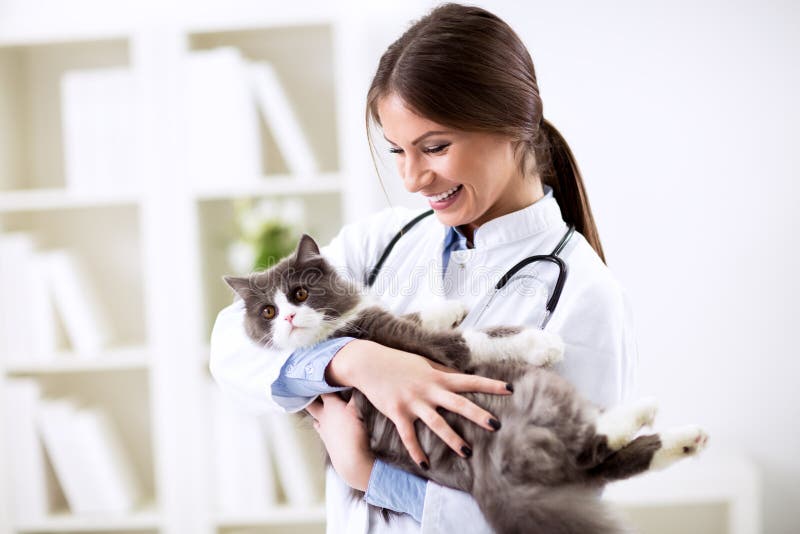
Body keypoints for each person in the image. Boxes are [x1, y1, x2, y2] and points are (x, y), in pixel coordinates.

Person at [209, 3, 638, 533]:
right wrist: (352, 359)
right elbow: (232, 344)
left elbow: (556, 517)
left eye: (434, 147)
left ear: (510, 124)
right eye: (396, 150)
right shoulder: (382, 241)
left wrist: (367, 473)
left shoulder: (584, 294)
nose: (413, 178)